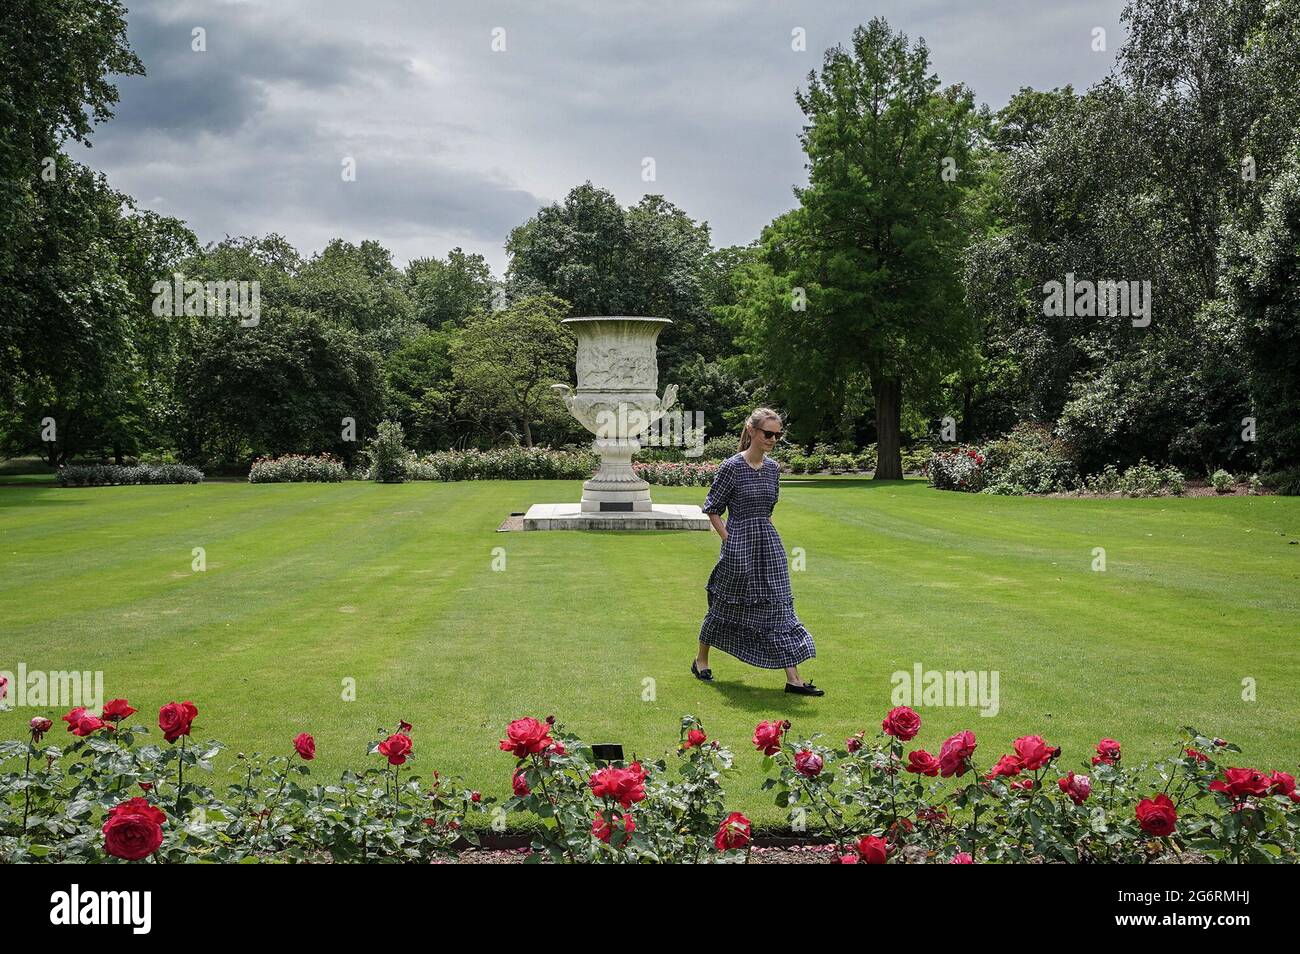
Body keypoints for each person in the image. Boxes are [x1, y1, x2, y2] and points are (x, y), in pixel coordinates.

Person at [692, 408, 823, 696]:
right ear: (752, 431)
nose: (773, 439)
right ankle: (701, 659)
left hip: (768, 545)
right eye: (768, 433)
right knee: (725, 605)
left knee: (779, 606)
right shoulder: (731, 467)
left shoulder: (773, 469)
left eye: (778, 435)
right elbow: (713, 508)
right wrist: (729, 541)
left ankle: (793, 679)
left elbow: (768, 512)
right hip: (738, 546)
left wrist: (771, 543)